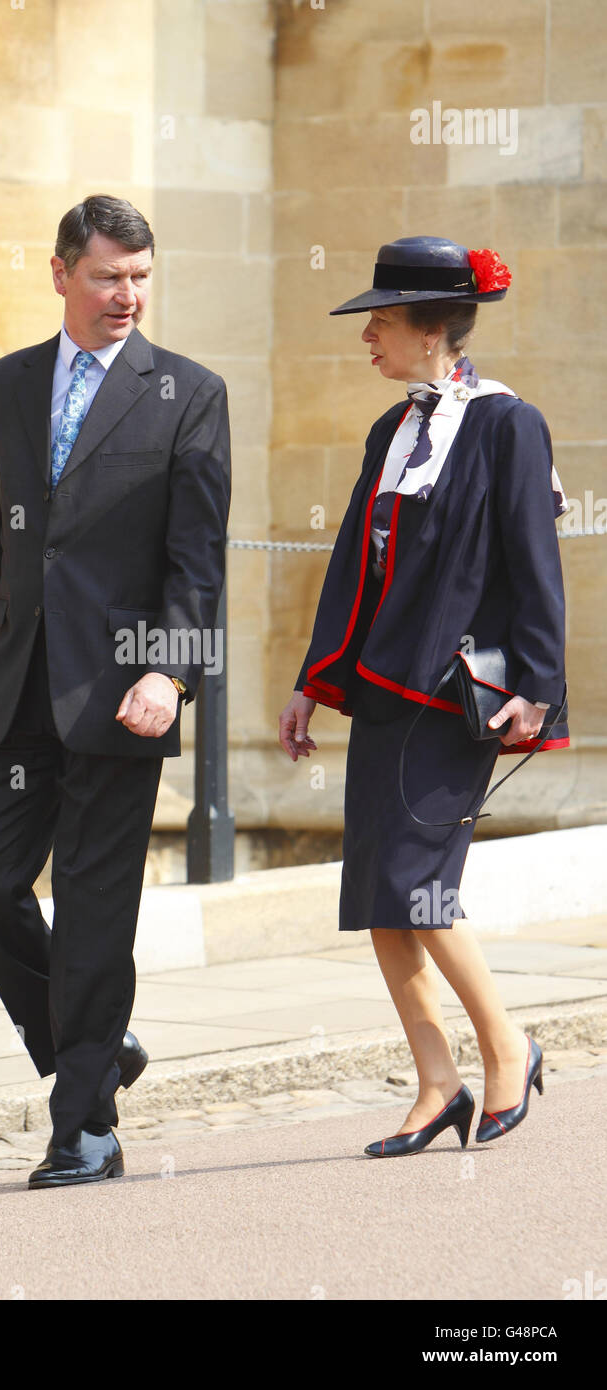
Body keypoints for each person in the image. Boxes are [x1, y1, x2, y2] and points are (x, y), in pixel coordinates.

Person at [0, 196, 231, 1187]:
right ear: (61, 271)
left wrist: (169, 667)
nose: (127, 296)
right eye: (108, 276)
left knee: (95, 907)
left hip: (123, 692)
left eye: (141, 277)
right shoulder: (7, 385)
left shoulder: (188, 393)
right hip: (17, 683)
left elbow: (199, 560)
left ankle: (86, 1129)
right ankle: (93, 1048)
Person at [279, 237, 568, 1156]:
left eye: (382, 320)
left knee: (418, 887)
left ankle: (507, 1047)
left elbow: (534, 567)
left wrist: (536, 690)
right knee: (378, 891)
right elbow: (352, 570)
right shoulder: (392, 428)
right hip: (383, 692)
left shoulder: (505, 424)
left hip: (455, 695)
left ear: (432, 329)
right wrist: (312, 682)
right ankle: (436, 1080)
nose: (367, 335)